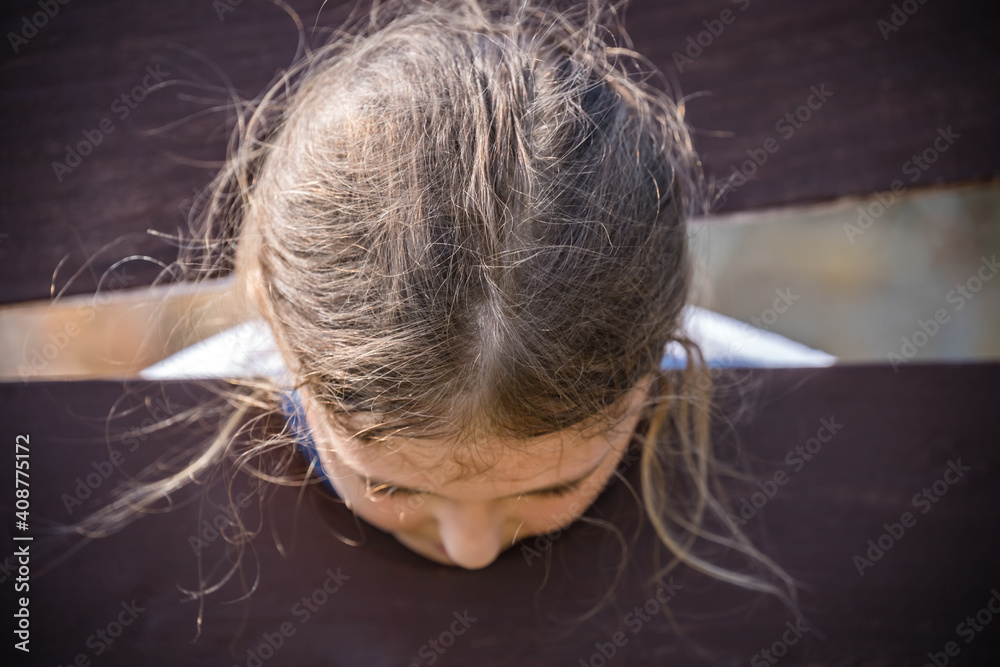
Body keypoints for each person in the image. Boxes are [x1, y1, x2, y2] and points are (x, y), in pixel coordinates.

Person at [71, 0, 799, 629]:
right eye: (389, 485)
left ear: (663, 338)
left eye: (554, 485)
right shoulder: (152, 430)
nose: (470, 549)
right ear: (275, 319)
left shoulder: (793, 389)